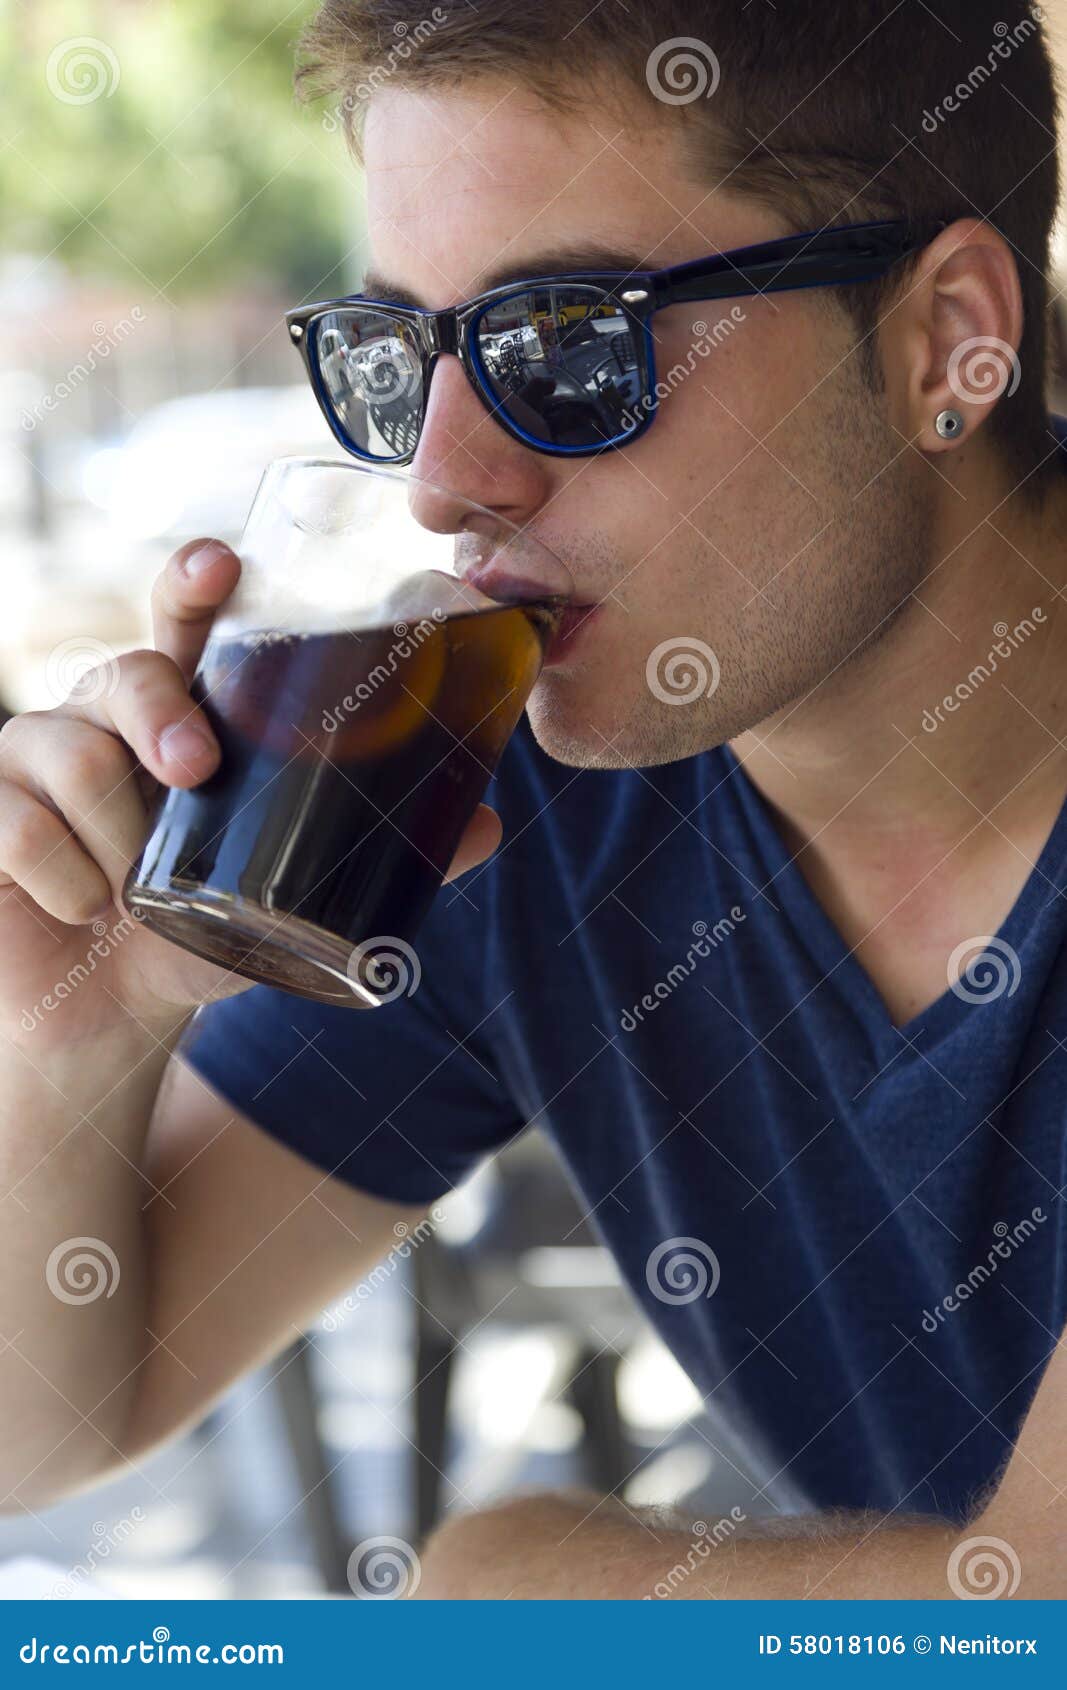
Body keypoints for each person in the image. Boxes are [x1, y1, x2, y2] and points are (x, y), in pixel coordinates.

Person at [1, 0, 1064, 1600]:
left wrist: (512, 1573)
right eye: (397, 358)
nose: (442, 478)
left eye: (566, 345)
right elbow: (41, 1429)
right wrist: (76, 1039)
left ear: (944, 338)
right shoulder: (514, 806)